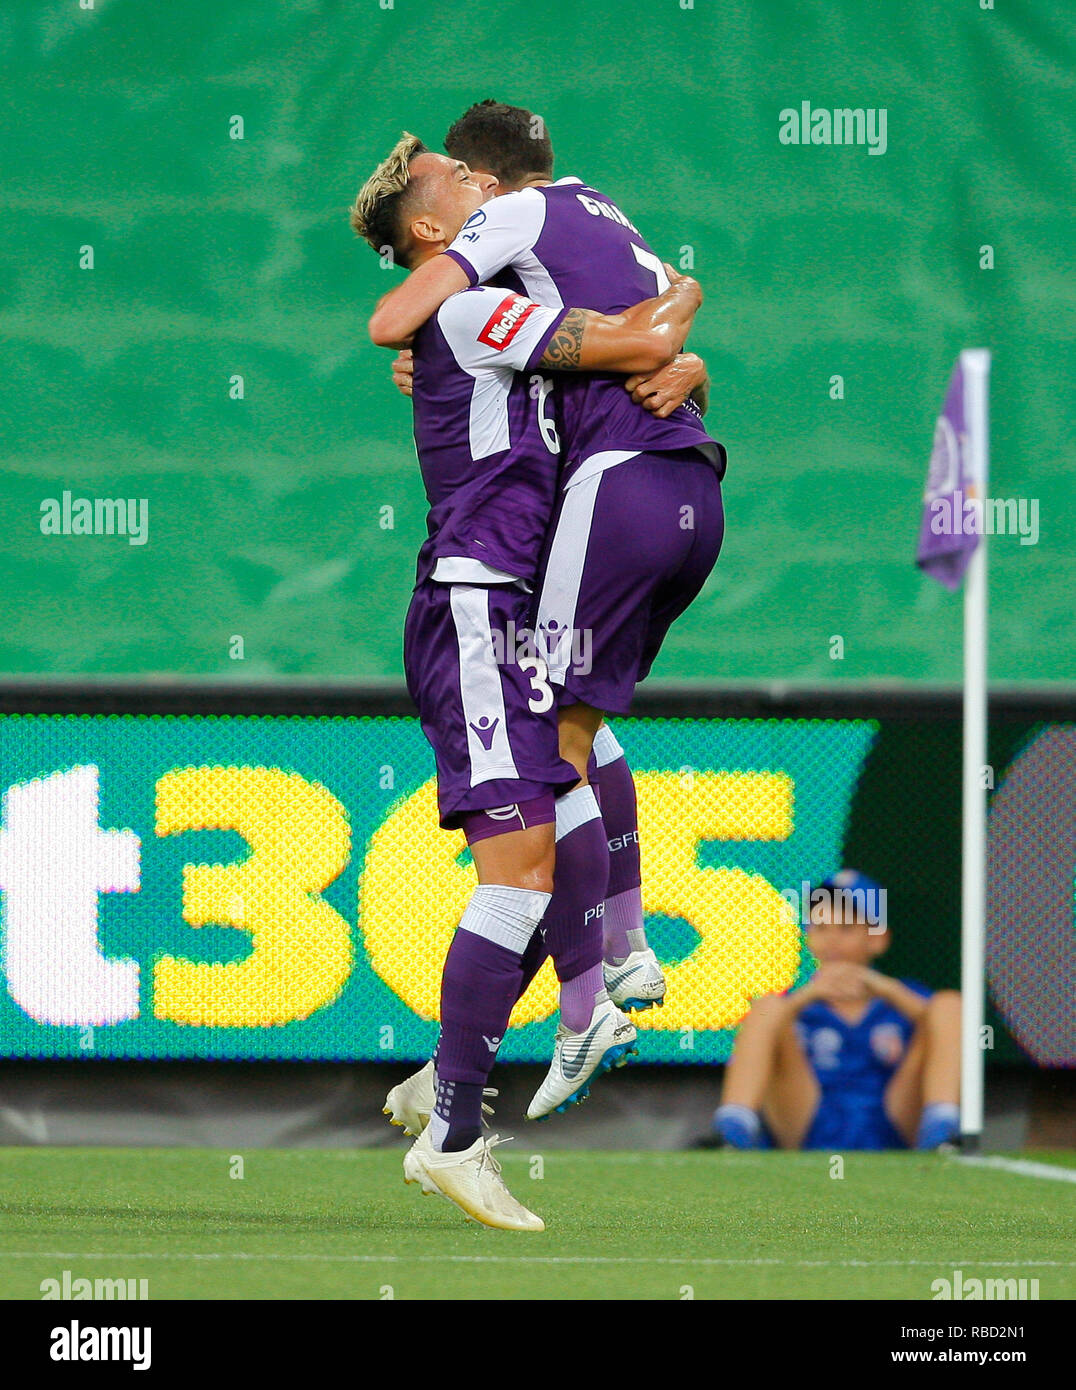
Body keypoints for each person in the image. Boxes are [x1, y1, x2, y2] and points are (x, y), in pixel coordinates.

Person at [350, 134, 703, 1227]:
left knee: (567, 790)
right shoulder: (464, 312)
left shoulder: (482, 311)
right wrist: (681, 295)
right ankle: (465, 1115)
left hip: (505, 597)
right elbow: (639, 332)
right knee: (520, 869)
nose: (484, 186)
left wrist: (673, 363)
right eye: (458, 181)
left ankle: (463, 1080)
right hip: (477, 598)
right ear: (429, 230)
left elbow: (637, 363)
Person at [712, 870, 962, 1151]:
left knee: (949, 1004)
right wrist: (806, 997)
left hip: (896, 1123)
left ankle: (942, 1129)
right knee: (768, 1008)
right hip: (806, 1124)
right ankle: (733, 1128)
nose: (831, 940)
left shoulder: (904, 995)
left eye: (845, 928)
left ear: (878, 939)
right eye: (820, 928)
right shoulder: (796, 1002)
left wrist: (888, 990)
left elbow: (947, 1025)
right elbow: (766, 1022)